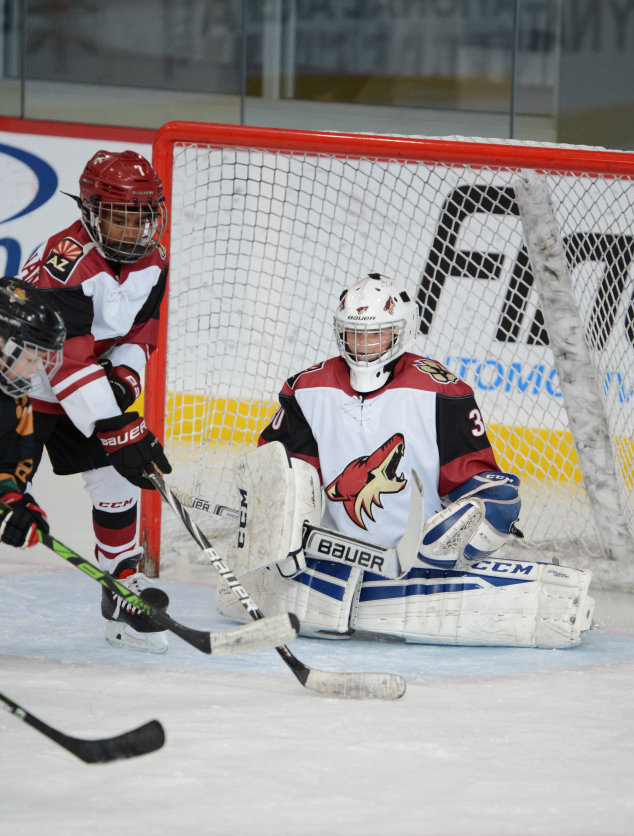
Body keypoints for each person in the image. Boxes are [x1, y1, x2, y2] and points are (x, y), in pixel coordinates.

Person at [217, 272, 594, 648]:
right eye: (353, 333)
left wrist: (486, 508)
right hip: (328, 559)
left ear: (403, 331)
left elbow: (474, 477)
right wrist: (276, 531)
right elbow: (277, 472)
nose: (363, 345)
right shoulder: (305, 387)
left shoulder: (442, 390)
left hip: (419, 563)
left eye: (376, 334)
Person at [19, 149, 172, 653]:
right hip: (19, 386)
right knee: (7, 500)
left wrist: (125, 380)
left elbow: (142, 331)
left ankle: (121, 588)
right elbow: (66, 363)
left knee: (115, 482)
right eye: (120, 218)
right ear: (90, 211)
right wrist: (118, 427)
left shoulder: (154, 260)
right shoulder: (67, 264)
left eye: (142, 216)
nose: (134, 230)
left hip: (81, 383)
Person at [0, 277, 65, 550]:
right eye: (30, 359)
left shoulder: (17, 401)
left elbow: (8, 466)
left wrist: (15, 501)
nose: (35, 369)